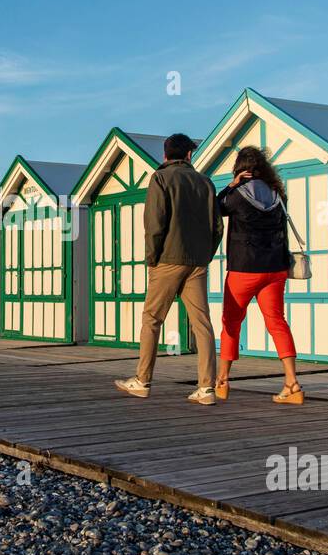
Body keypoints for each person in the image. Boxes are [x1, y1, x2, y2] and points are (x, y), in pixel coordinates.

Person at [115, 133, 221, 405]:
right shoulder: (205, 182)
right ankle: (207, 388)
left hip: (168, 260)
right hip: (197, 261)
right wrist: (204, 255)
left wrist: (152, 259)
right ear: (188, 155)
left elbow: (154, 223)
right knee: (202, 324)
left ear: (165, 155)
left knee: (152, 319)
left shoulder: (160, 179)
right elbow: (217, 227)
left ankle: (142, 380)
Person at [215, 146, 302, 405]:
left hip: (244, 269)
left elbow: (218, 208)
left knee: (231, 322)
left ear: (240, 169)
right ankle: (292, 383)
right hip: (274, 269)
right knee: (277, 322)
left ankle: (222, 381)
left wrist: (231, 185)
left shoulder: (238, 195)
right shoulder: (277, 195)